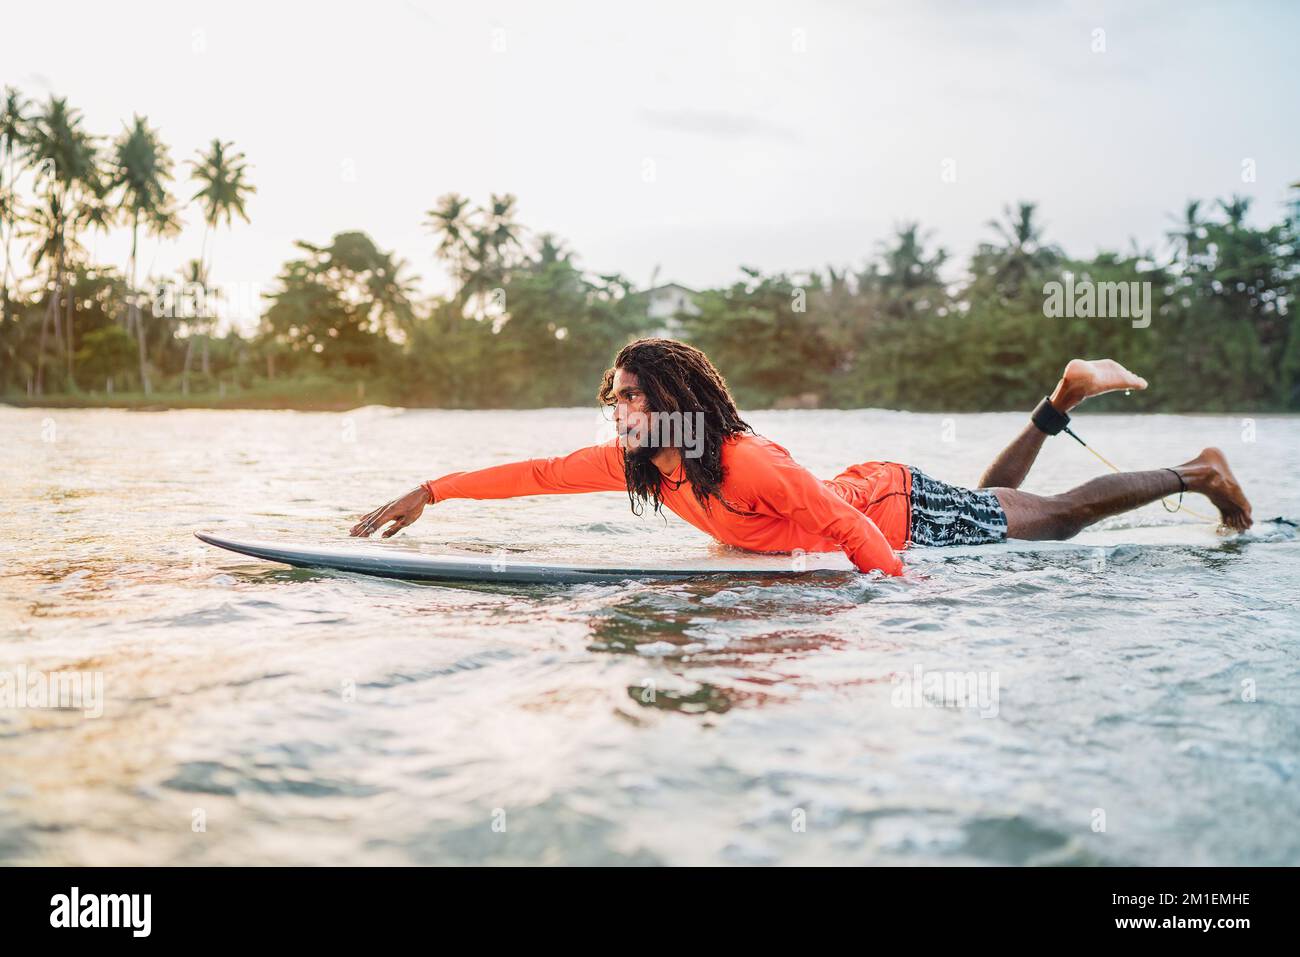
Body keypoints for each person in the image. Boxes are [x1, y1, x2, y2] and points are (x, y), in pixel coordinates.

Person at [350, 338, 1252, 576]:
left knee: (1051, 522)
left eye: (631, 396)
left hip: (890, 507)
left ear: (672, 401)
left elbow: (850, 530)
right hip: (880, 494)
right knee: (997, 511)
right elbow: (535, 475)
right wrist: (431, 490)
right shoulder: (645, 461)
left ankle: (1201, 470)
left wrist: (904, 600)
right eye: (613, 397)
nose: (618, 409)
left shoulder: (742, 462)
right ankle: (1059, 400)